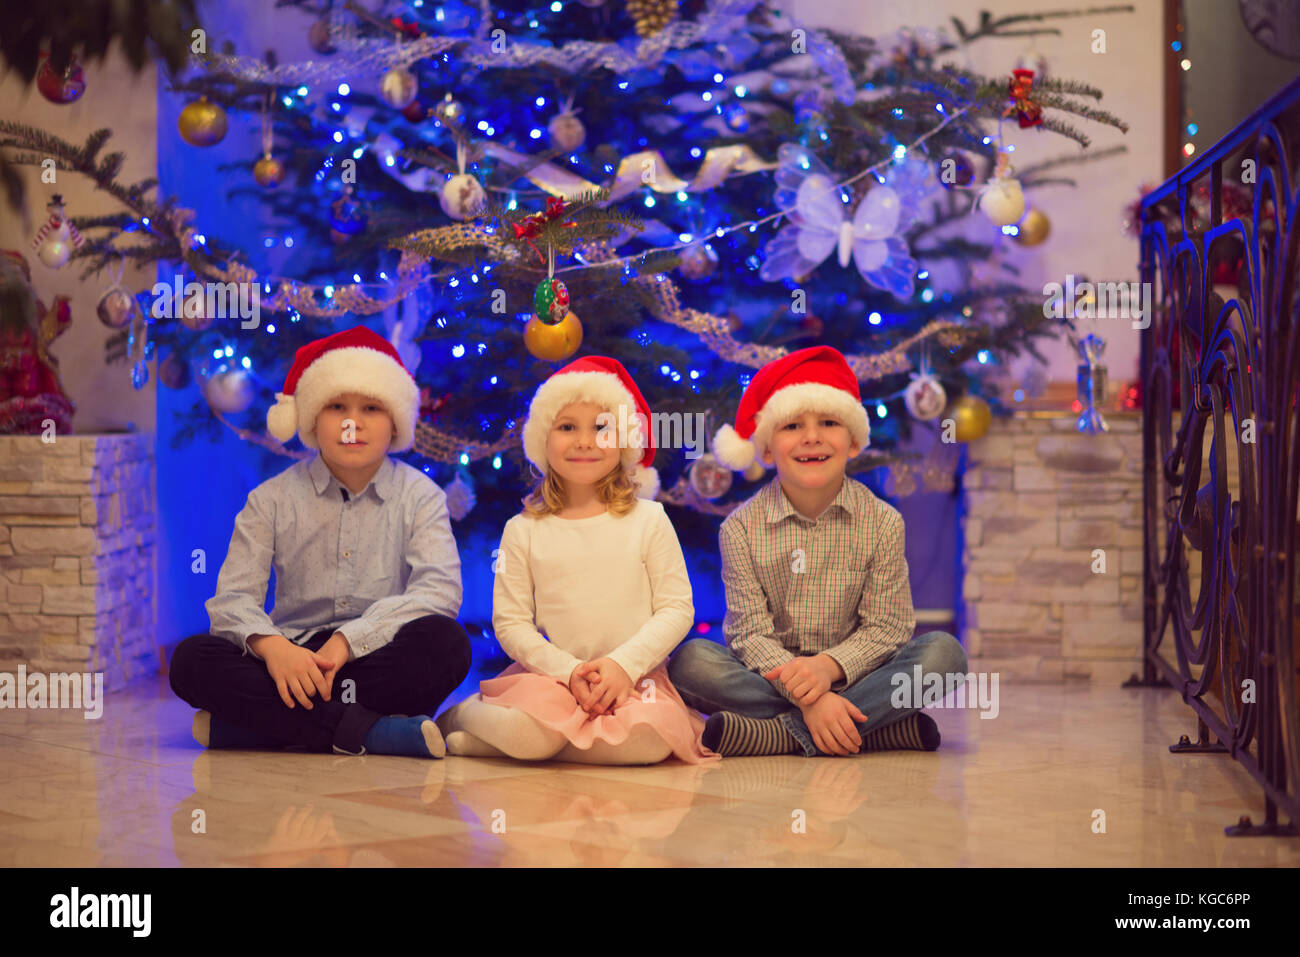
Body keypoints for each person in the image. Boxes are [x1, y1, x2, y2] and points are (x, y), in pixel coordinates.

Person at [169, 326, 471, 758]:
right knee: (191, 661)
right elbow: (232, 600)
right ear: (312, 417)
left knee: (447, 644)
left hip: (374, 656)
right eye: (336, 407)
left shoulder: (421, 497)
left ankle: (261, 728)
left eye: (371, 407)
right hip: (291, 660)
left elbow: (438, 591)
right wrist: (273, 649)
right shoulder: (271, 499)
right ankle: (371, 732)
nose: (353, 422)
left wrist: (349, 641)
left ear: (396, 421)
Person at [668, 345, 967, 757]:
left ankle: (780, 735)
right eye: (792, 426)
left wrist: (827, 669)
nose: (812, 437)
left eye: (829, 422)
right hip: (773, 679)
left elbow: (888, 628)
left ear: (854, 442)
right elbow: (749, 635)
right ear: (768, 449)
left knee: (944, 656)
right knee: (691, 663)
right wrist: (809, 696)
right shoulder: (739, 528)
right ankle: (867, 728)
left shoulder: (882, 522)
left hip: (858, 676)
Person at [437, 355, 717, 765]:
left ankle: (506, 743)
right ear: (542, 442)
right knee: (540, 726)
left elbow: (676, 609)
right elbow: (512, 623)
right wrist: (568, 671)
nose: (585, 441)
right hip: (552, 679)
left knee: (647, 741)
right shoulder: (524, 529)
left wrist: (623, 666)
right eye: (567, 427)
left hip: (636, 680)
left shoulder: (650, 519)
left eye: (602, 428)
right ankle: (467, 717)